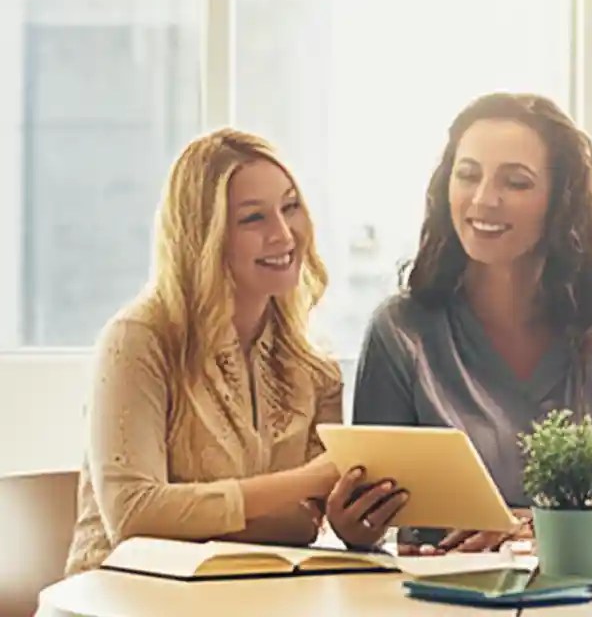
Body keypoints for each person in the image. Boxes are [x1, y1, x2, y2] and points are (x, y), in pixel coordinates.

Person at [66, 129, 395, 575]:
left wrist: (351, 524)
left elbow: (305, 521)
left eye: (290, 207)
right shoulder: (138, 338)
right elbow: (133, 515)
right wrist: (307, 480)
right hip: (122, 600)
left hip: (253, 596)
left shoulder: (313, 361)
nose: (284, 235)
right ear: (204, 235)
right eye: (253, 219)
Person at [353, 92, 592, 553]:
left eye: (516, 183)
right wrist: (355, 524)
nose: (484, 199)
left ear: (560, 202)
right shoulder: (401, 332)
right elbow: (374, 510)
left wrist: (533, 525)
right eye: (467, 175)